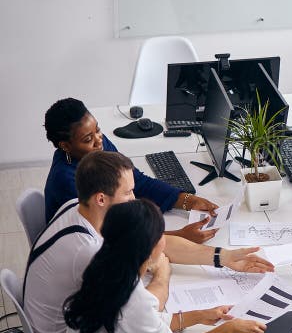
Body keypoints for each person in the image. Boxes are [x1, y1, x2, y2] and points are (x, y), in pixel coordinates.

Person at [25, 150, 273, 333]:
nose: (134, 198)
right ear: (101, 198)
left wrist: (223, 257)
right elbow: (144, 307)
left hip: (77, 332)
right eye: (128, 192)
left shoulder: (78, 206)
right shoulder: (88, 251)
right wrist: (163, 273)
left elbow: (155, 242)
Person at [41, 199, 266, 333]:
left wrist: (199, 316)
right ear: (148, 249)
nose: (165, 242)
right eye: (161, 237)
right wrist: (228, 329)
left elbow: (138, 321)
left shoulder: (102, 269)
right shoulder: (131, 295)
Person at [43, 97, 217, 243]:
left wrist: (188, 200)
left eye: (98, 130)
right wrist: (179, 237)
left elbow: (137, 181)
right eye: (88, 139)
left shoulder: (100, 148)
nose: (98, 140)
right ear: (65, 145)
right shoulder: (67, 181)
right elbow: (109, 235)